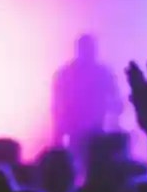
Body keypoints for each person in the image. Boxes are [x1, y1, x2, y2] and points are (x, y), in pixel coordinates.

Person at [52, 34, 123, 173]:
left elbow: (115, 101)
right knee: (87, 166)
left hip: (92, 128)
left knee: (84, 166)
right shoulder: (70, 73)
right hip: (80, 128)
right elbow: (57, 105)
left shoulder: (68, 72)